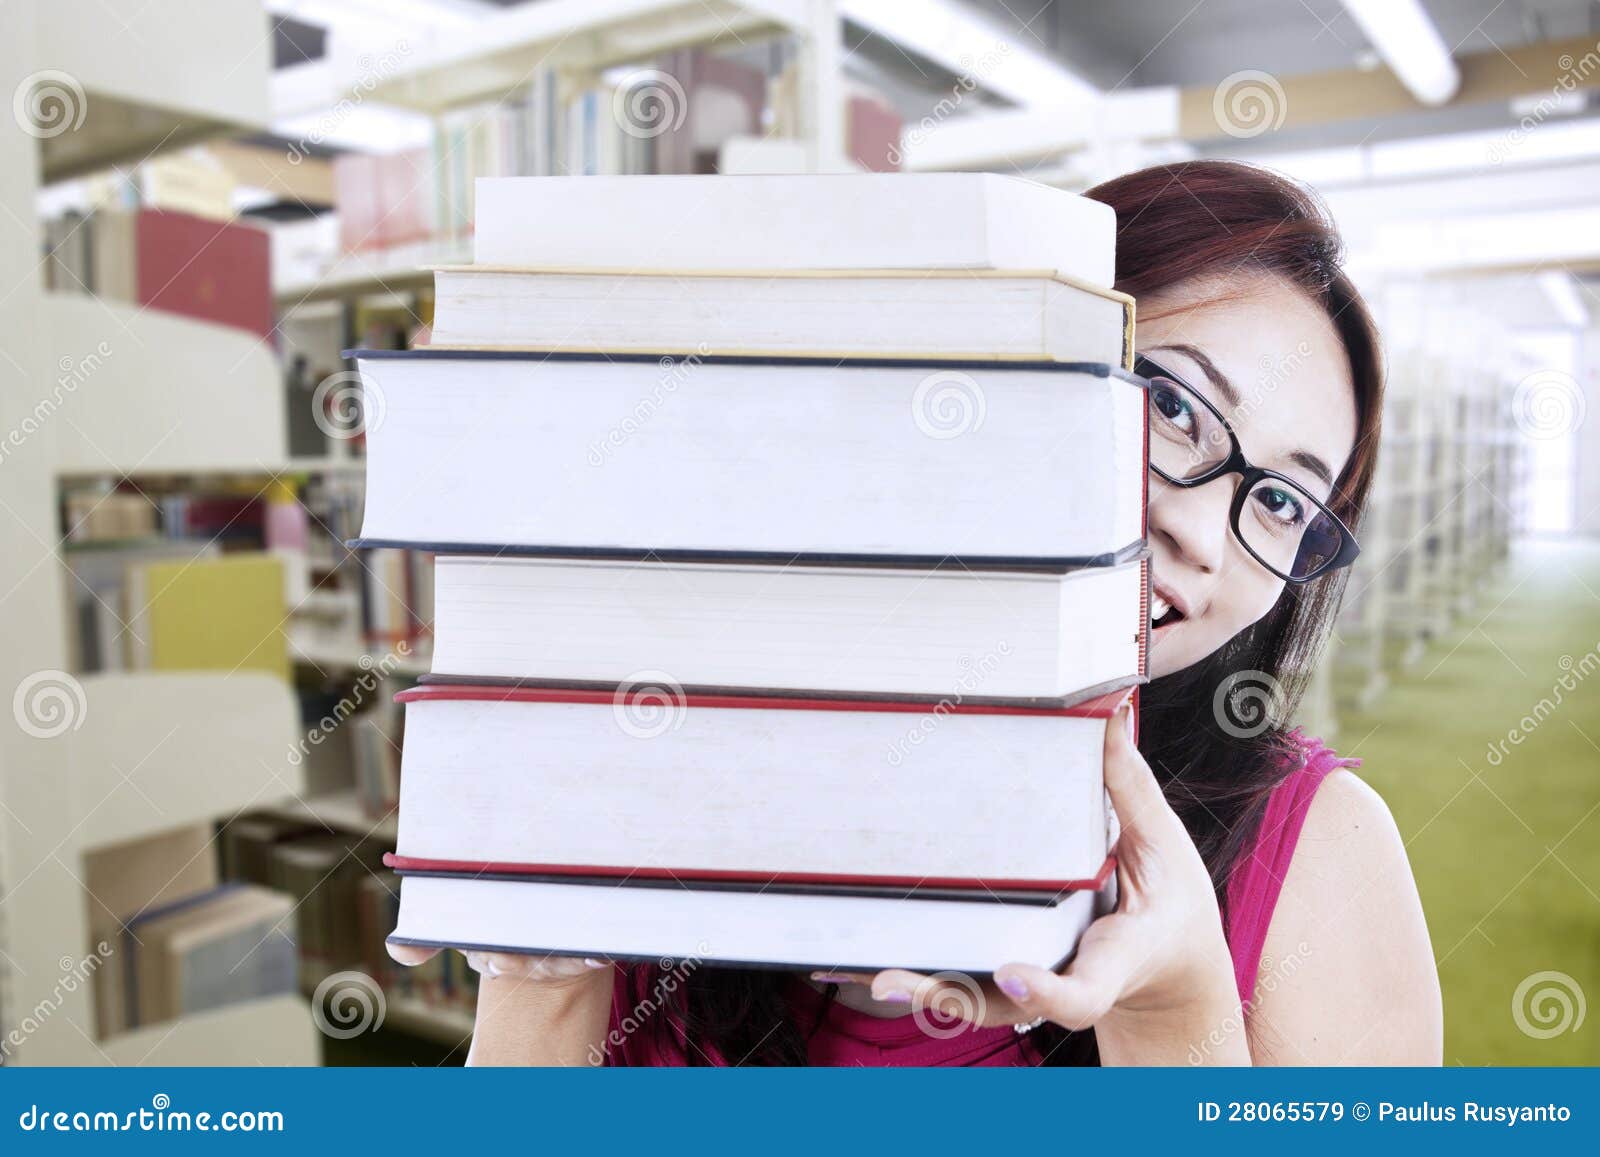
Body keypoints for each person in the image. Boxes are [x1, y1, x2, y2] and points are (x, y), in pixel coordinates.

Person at [392, 159, 1443, 1067]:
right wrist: (540, 965)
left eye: (1279, 499)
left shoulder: (1319, 857)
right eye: (1171, 404)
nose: (1204, 540)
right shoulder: (666, 731)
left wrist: (1176, 1014)